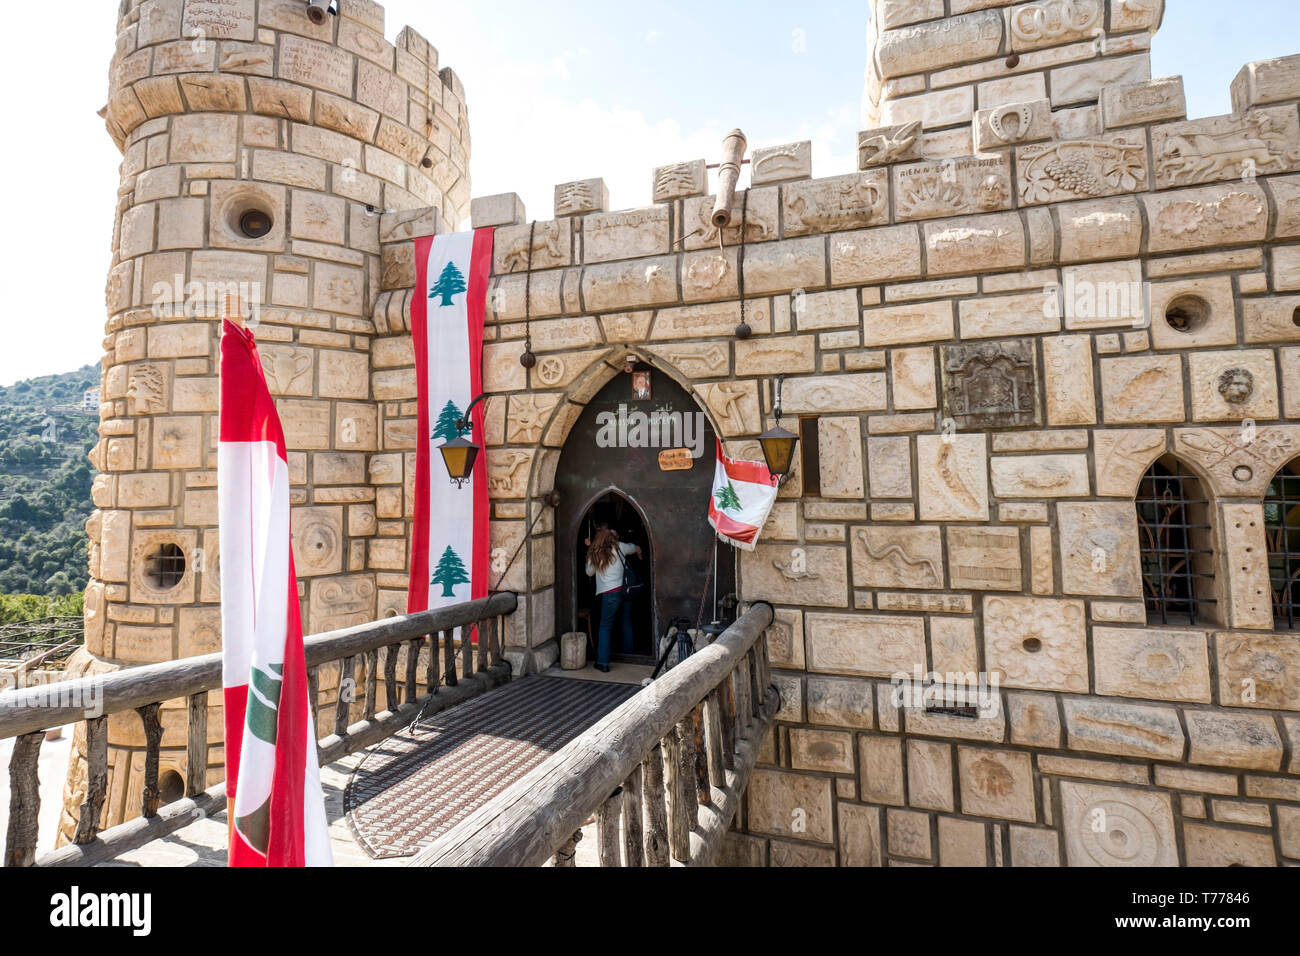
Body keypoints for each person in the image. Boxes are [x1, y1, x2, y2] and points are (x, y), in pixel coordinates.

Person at [584, 526, 642, 672]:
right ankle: (630, 654)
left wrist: (589, 551)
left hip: (610, 594)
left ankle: (603, 663)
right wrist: (639, 553)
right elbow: (634, 548)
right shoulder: (620, 547)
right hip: (624, 591)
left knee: (605, 627)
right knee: (627, 620)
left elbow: (589, 572)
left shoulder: (595, 553)